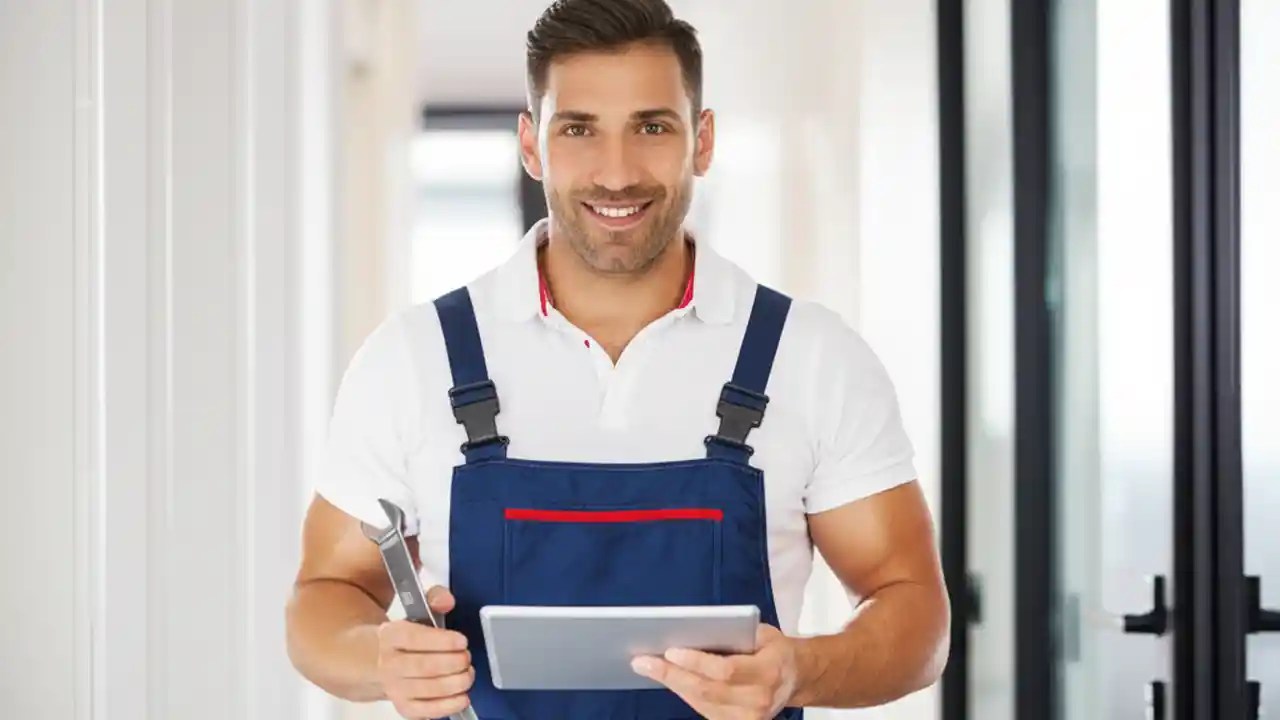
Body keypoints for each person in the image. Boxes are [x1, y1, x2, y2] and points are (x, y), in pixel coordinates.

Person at [285, 0, 949, 717]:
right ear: (531, 145)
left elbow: (915, 615)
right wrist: (379, 660)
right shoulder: (414, 359)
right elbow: (324, 596)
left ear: (702, 140)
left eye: (651, 127)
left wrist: (801, 670)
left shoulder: (812, 357)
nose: (616, 173)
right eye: (578, 129)